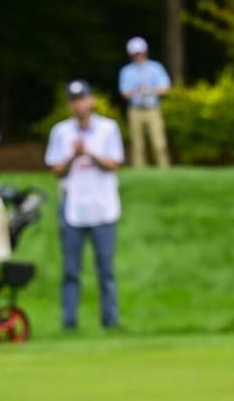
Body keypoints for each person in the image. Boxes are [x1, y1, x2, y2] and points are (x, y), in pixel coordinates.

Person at [44, 80, 125, 330]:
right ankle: (69, 323)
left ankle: (110, 321)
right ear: (70, 104)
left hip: (103, 206)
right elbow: (55, 169)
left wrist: (89, 153)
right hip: (72, 206)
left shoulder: (108, 129)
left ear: (91, 100)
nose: (79, 104)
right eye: (74, 100)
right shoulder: (61, 132)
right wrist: (73, 156)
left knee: (106, 270)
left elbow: (114, 162)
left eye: (83, 98)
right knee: (70, 270)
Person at [118, 37, 171, 168]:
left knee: (159, 144)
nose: (138, 56)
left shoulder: (156, 67)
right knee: (137, 146)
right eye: (135, 54)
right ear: (131, 55)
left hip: (152, 109)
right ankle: (139, 173)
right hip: (135, 110)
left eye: (140, 53)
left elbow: (165, 89)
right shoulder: (126, 71)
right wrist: (137, 92)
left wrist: (150, 91)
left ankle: (165, 171)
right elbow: (124, 92)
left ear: (145, 52)